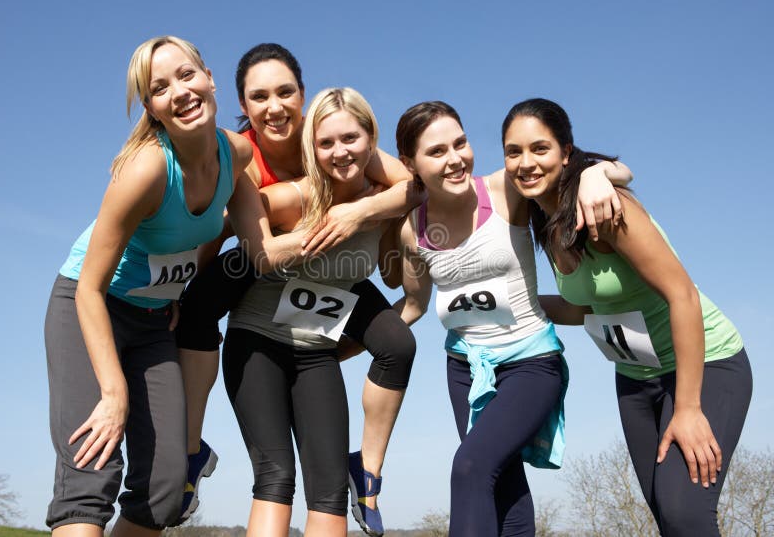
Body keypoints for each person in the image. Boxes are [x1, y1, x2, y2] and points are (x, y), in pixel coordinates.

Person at [43, 35, 303, 537]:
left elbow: (262, 253)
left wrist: (359, 212)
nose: (179, 92)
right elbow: (90, 289)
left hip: (154, 319)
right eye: (160, 88)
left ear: (208, 78)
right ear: (152, 108)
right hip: (88, 308)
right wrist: (114, 392)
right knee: (92, 468)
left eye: (186, 75)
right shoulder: (146, 171)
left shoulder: (236, 153)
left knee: (164, 491)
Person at [176, 44, 418, 534]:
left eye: (285, 92)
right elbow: (226, 236)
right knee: (199, 303)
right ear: (243, 105)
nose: (274, 107)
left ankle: (365, 468)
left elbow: (414, 186)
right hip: (267, 256)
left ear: (302, 96)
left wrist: (358, 212)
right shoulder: (244, 157)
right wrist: (189, 287)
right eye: (259, 97)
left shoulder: (334, 134)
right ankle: (189, 451)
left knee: (396, 343)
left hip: (333, 271)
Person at [501, 97, 752, 536]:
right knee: (665, 515)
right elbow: (583, 309)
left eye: (539, 148)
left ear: (566, 151)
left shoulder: (606, 209)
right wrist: (510, 304)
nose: (526, 162)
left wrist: (689, 409)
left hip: (706, 364)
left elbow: (683, 296)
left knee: (686, 512)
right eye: (513, 151)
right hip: (636, 378)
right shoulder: (544, 220)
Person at [386, 101, 631, 536]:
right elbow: (413, 304)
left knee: (469, 468)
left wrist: (594, 173)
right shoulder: (412, 228)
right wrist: (352, 340)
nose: (455, 157)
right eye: (437, 151)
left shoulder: (504, 190)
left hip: (531, 364)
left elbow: (622, 171)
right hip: (465, 369)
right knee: (503, 486)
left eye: (460, 143)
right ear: (411, 164)